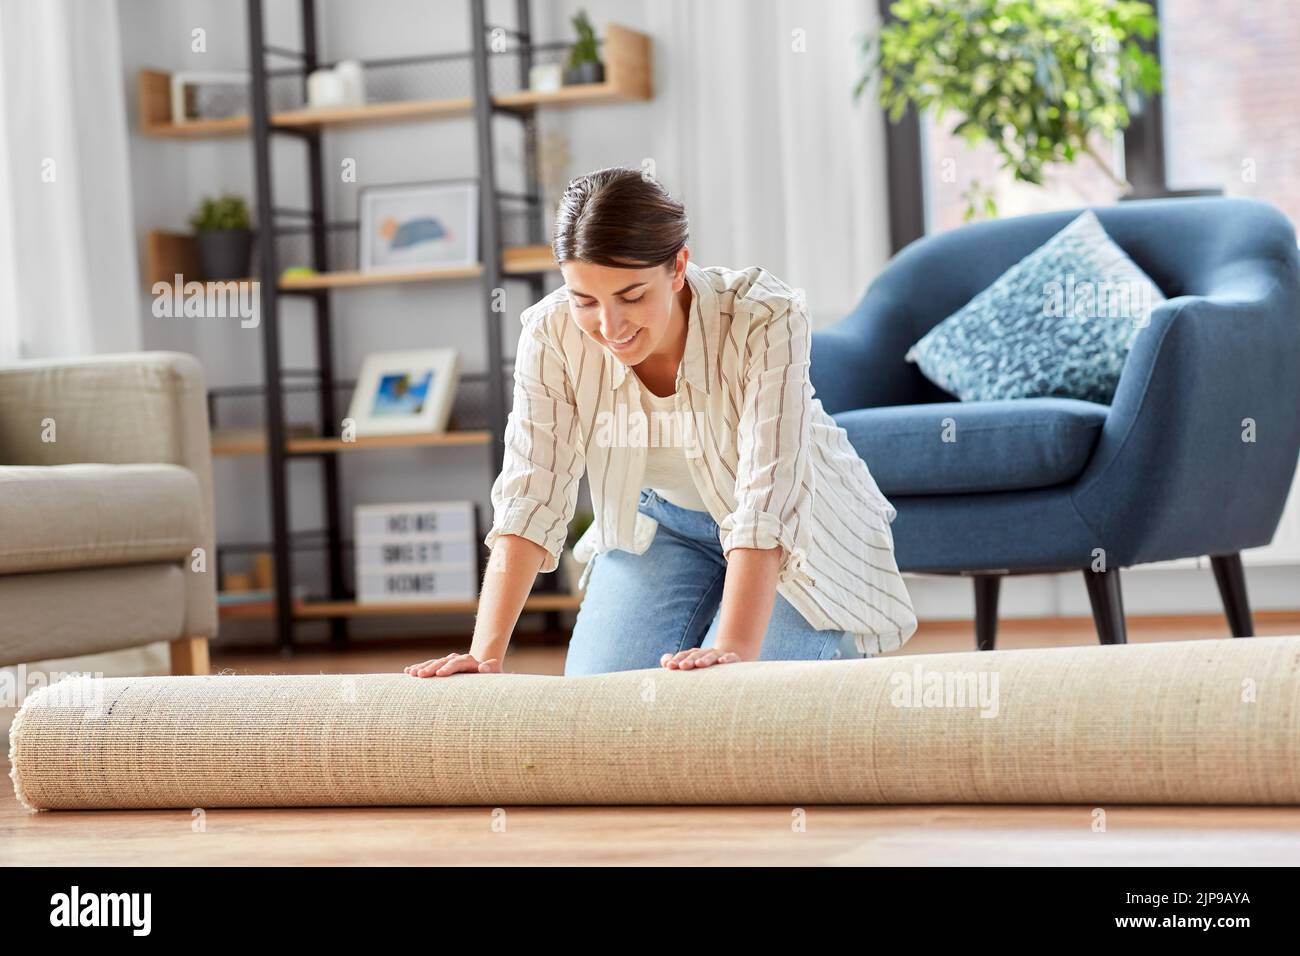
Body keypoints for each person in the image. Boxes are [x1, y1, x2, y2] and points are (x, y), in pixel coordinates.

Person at [405, 167, 916, 679]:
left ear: (677, 268)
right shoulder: (551, 335)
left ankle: (837, 649)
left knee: (737, 704)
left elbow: (768, 497)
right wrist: (484, 653)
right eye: (585, 300)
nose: (611, 328)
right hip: (662, 525)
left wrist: (733, 649)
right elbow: (530, 492)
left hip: (797, 527)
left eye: (631, 296)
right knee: (602, 710)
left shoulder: (765, 315)